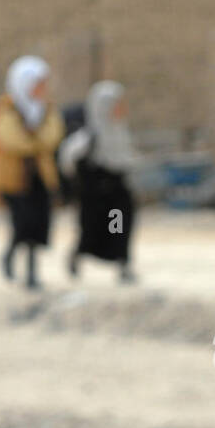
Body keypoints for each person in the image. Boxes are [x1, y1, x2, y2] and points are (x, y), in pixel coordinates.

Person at [0, 55, 65, 290]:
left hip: (40, 178)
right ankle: (9, 256)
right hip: (14, 179)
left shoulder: (46, 110)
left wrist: (34, 141)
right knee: (22, 223)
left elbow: (54, 135)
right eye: (38, 83)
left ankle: (32, 273)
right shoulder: (7, 108)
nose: (42, 89)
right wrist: (36, 143)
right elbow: (9, 140)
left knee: (39, 224)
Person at [58, 80, 141, 284]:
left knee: (119, 228)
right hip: (95, 196)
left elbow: (128, 161)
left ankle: (122, 263)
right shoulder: (88, 137)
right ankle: (78, 257)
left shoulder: (121, 133)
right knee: (91, 230)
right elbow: (68, 159)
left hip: (118, 194)